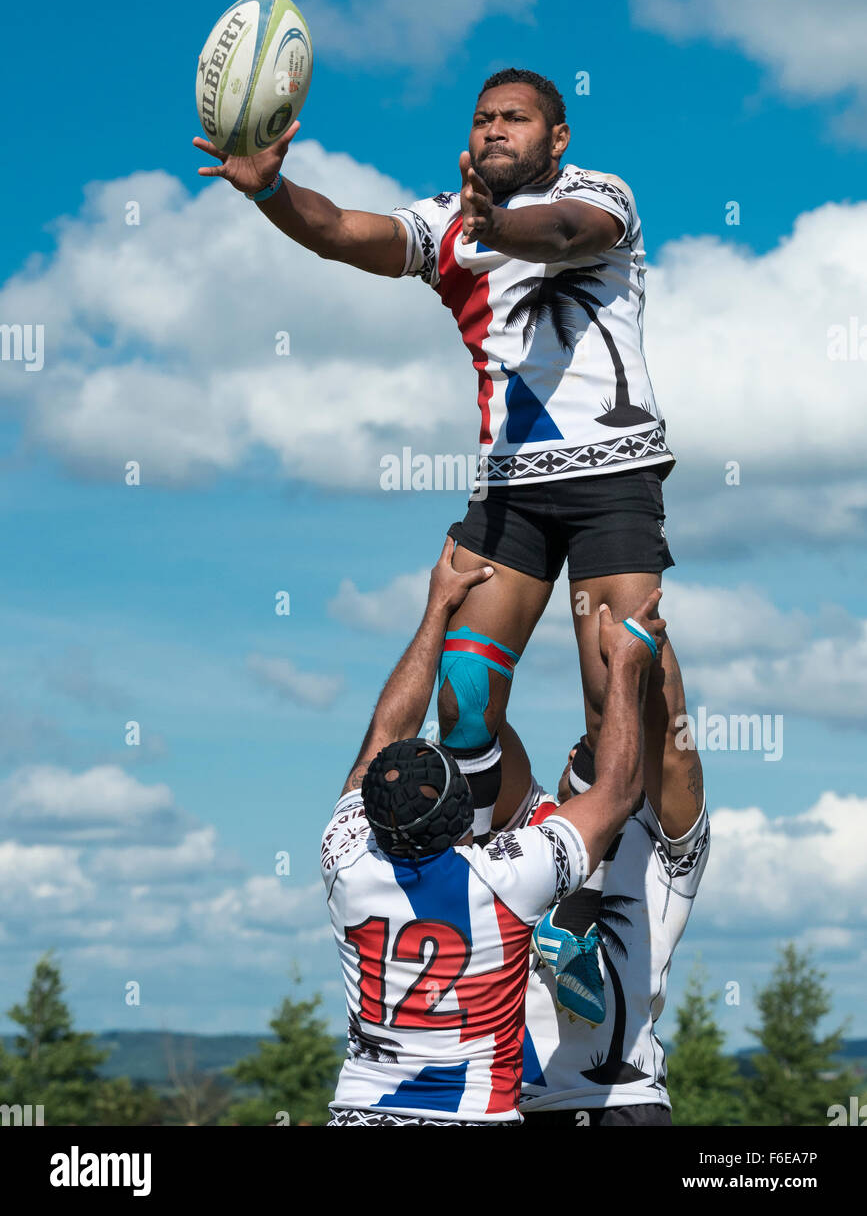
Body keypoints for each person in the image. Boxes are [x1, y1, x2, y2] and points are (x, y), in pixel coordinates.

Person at [194, 66, 687, 1010]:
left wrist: (491, 226)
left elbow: (562, 235)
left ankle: (577, 913)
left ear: (557, 137)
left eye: (516, 118)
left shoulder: (598, 197)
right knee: (463, 703)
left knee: (615, 696)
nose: (496, 128)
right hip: (507, 495)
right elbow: (342, 234)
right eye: (482, 117)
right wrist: (267, 190)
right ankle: (514, 866)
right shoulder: (442, 223)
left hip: (613, 484)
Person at [319, 539, 666, 1125]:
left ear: (375, 809)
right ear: (462, 820)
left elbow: (379, 741)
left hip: (362, 1110)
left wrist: (436, 613)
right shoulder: (504, 878)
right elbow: (619, 794)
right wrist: (628, 670)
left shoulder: (346, 860)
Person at [515, 716, 709, 1126]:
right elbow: (480, 736)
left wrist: (642, 653)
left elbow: (672, 738)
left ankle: (570, 928)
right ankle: (568, 927)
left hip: (623, 1099)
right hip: (515, 1103)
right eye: (588, 753)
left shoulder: (664, 848)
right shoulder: (530, 825)